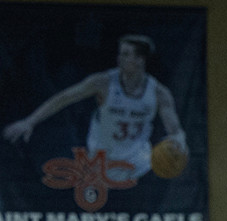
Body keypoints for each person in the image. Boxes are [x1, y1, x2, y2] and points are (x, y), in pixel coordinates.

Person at [1, 34, 189, 184]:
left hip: (139, 163)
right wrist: (30, 121)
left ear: (140, 59)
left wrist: (179, 139)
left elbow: (175, 129)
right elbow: (64, 98)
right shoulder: (104, 82)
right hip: (100, 162)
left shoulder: (159, 93)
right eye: (120, 54)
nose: (119, 59)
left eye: (125, 54)